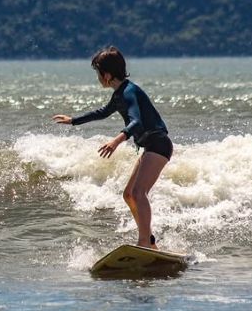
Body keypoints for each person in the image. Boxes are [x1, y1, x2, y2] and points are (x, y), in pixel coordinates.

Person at [52, 47, 172, 249]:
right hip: (149, 146)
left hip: (158, 144)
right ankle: (149, 239)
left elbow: (136, 121)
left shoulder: (129, 92)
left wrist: (116, 141)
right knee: (129, 195)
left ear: (106, 75)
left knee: (139, 192)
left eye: (98, 73)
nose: (97, 78)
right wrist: (73, 121)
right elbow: (102, 112)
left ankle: (144, 241)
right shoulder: (119, 94)